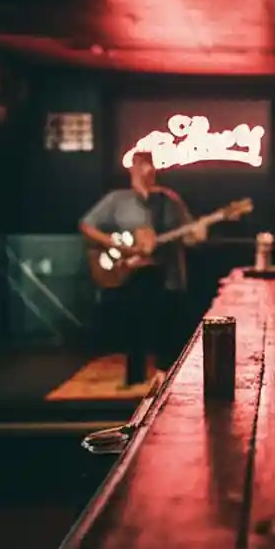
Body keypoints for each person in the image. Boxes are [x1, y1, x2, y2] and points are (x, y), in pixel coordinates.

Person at [79, 150, 206, 385]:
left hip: (168, 274)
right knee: (136, 325)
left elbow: (190, 235)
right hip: (134, 274)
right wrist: (116, 243)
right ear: (133, 170)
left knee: (170, 325)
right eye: (142, 167)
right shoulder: (118, 200)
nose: (147, 172)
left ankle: (167, 378)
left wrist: (198, 233)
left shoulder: (170, 200)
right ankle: (135, 380)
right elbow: (87, 225)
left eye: (151, 167)